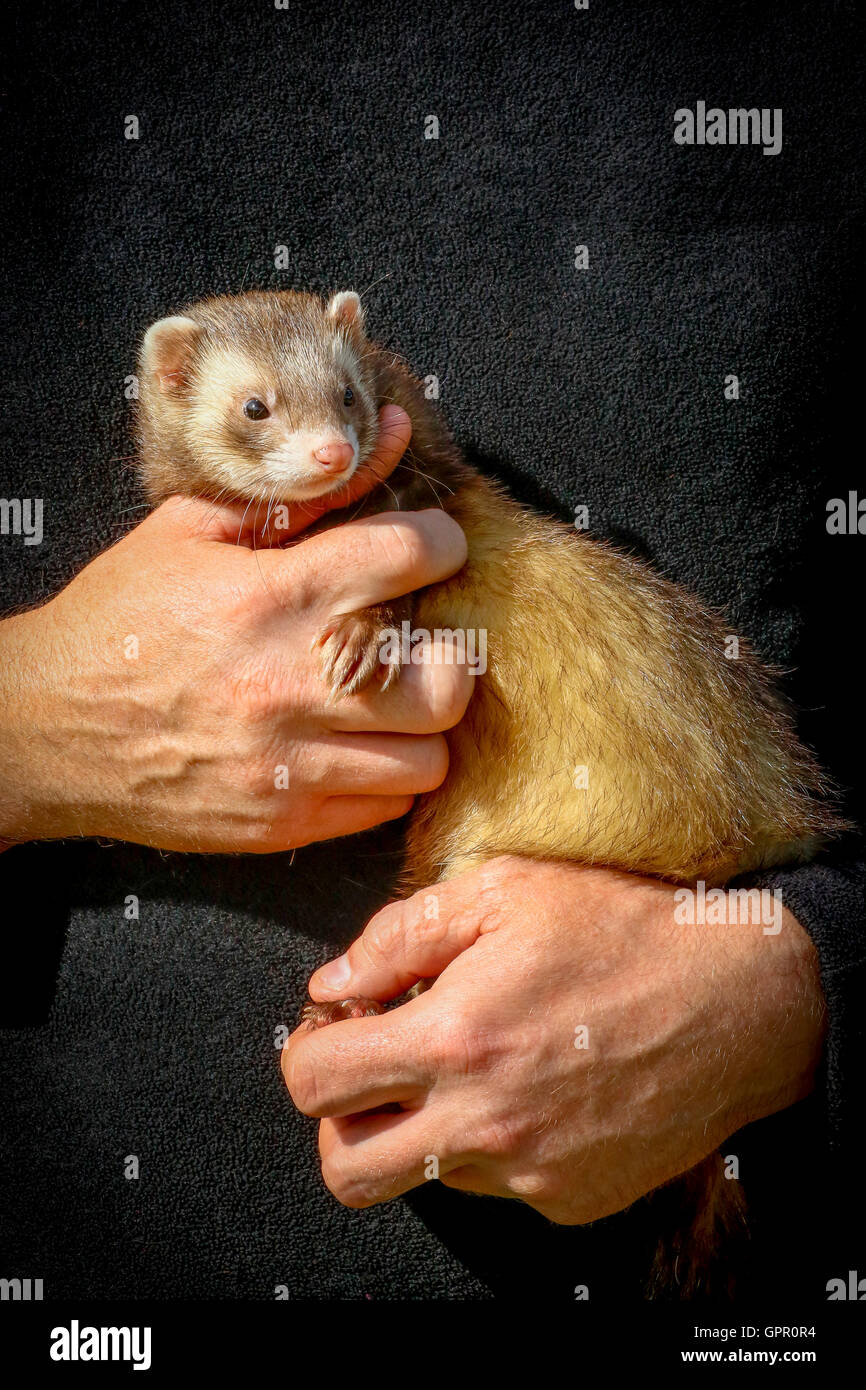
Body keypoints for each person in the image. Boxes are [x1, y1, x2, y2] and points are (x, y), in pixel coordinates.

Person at [0, 404, 846, 1293]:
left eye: (344, 411)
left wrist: (796, 977)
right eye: (258, 411)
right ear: (170, 386)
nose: (324, 443)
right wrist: (30, 720)